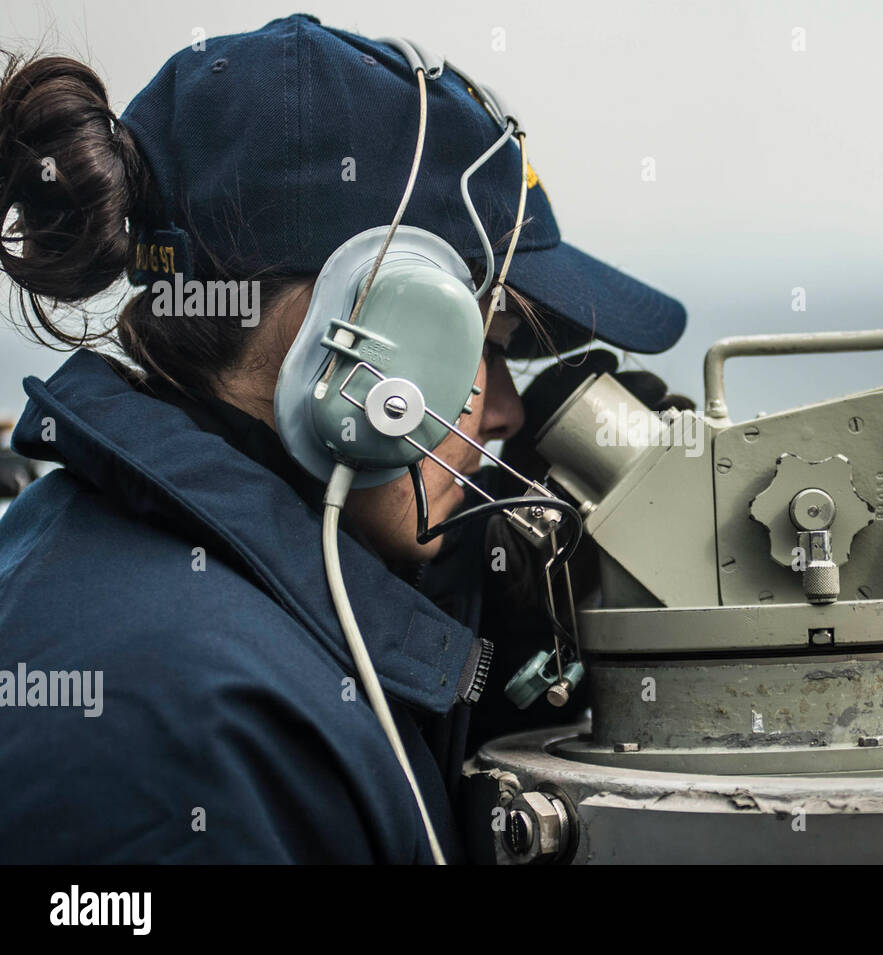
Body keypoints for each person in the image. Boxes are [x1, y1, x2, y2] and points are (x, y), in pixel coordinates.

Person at [0, 14, 685, 863]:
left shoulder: (133, 580)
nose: (505, 411)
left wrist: (495, 632)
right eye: (488, 344)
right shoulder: (198, 739)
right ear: (354, 330)